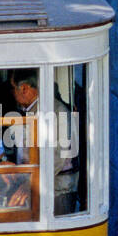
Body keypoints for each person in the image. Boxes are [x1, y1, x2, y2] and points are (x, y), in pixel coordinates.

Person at [8, 69, 81, 214]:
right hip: (36, 186)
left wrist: (31, 183)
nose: (11, 92)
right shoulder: (29, 110)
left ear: (24, 89)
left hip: (57, 191)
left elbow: (57, 157)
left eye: (12, 88)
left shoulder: (56, 112)